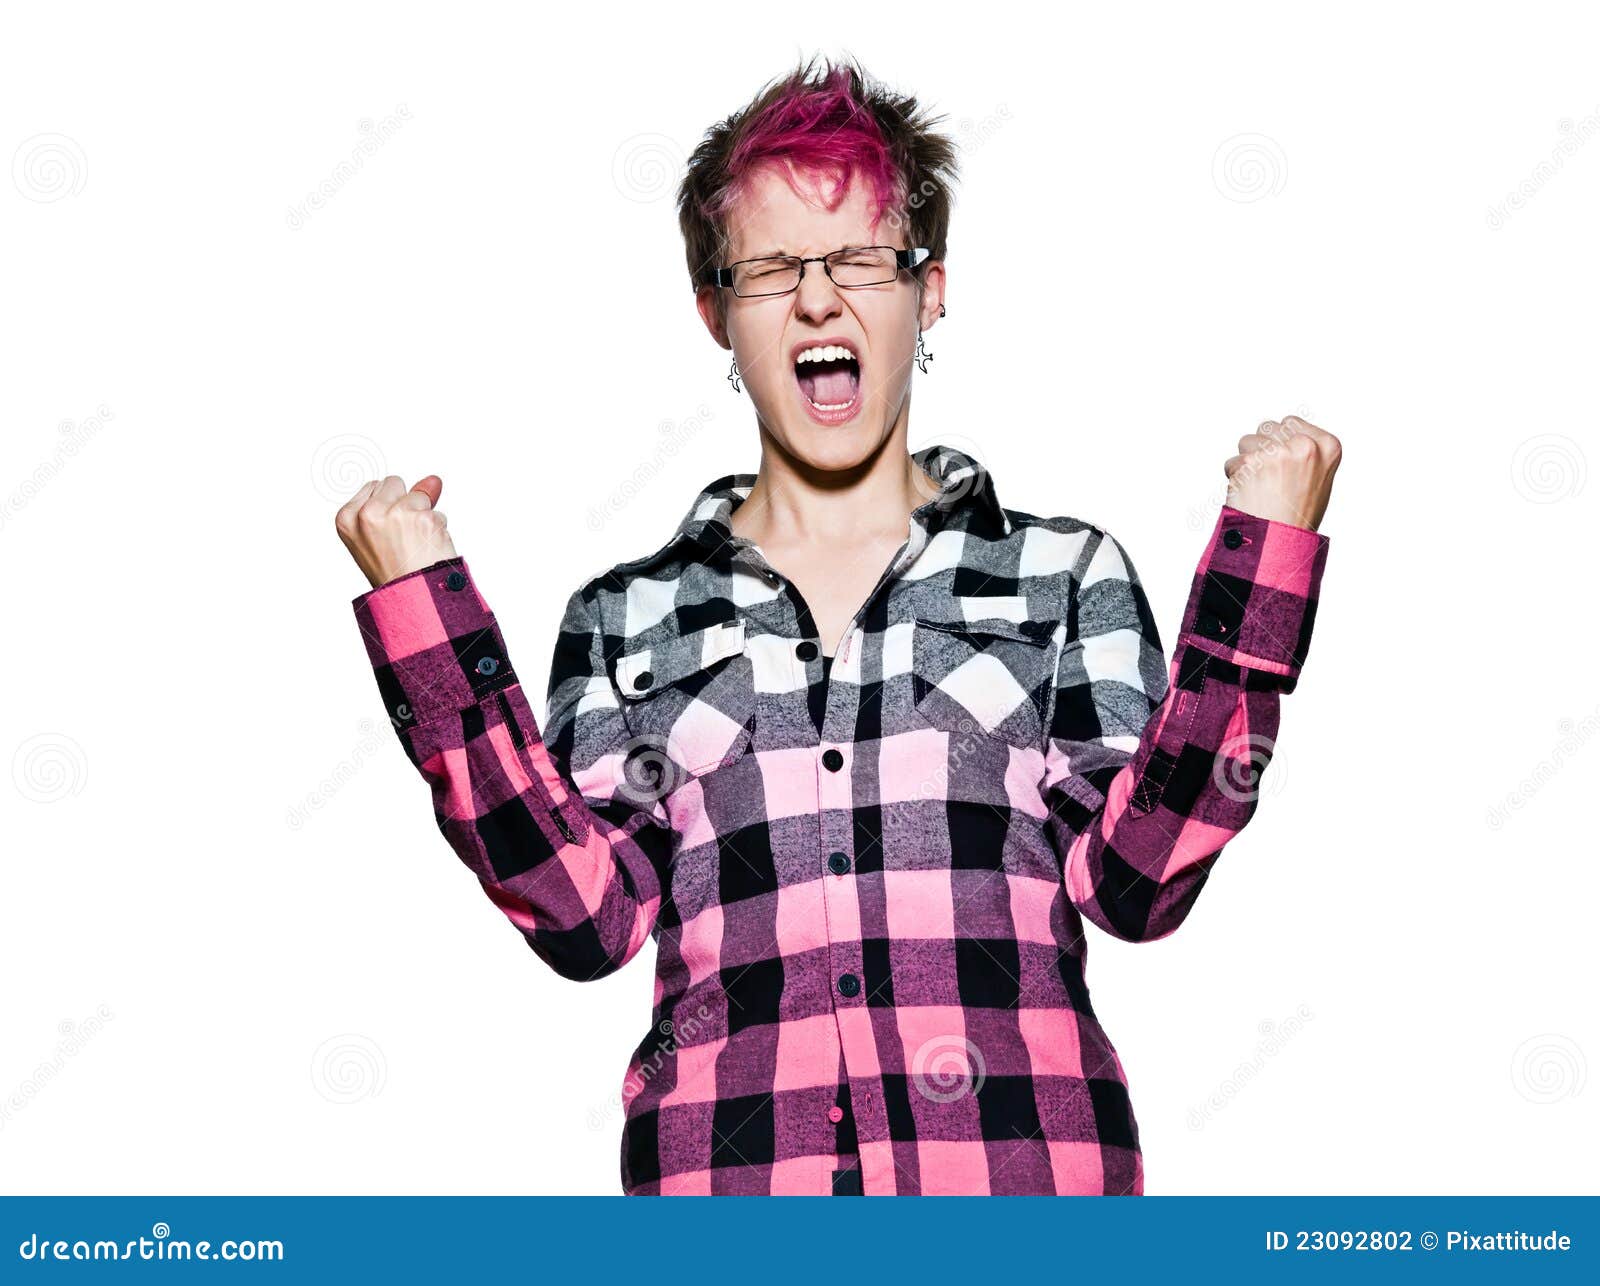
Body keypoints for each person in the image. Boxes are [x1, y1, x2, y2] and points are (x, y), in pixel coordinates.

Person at [335, 54, 1341, 1196]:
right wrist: (427, 620)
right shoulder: (626, 617)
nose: (819, 299)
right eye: (770, 268)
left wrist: (1262, 575)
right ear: (715, 310)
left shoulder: (1063, 575)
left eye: (863, 259)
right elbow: (582, 919)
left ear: (930, 288)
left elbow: (1138, 885)